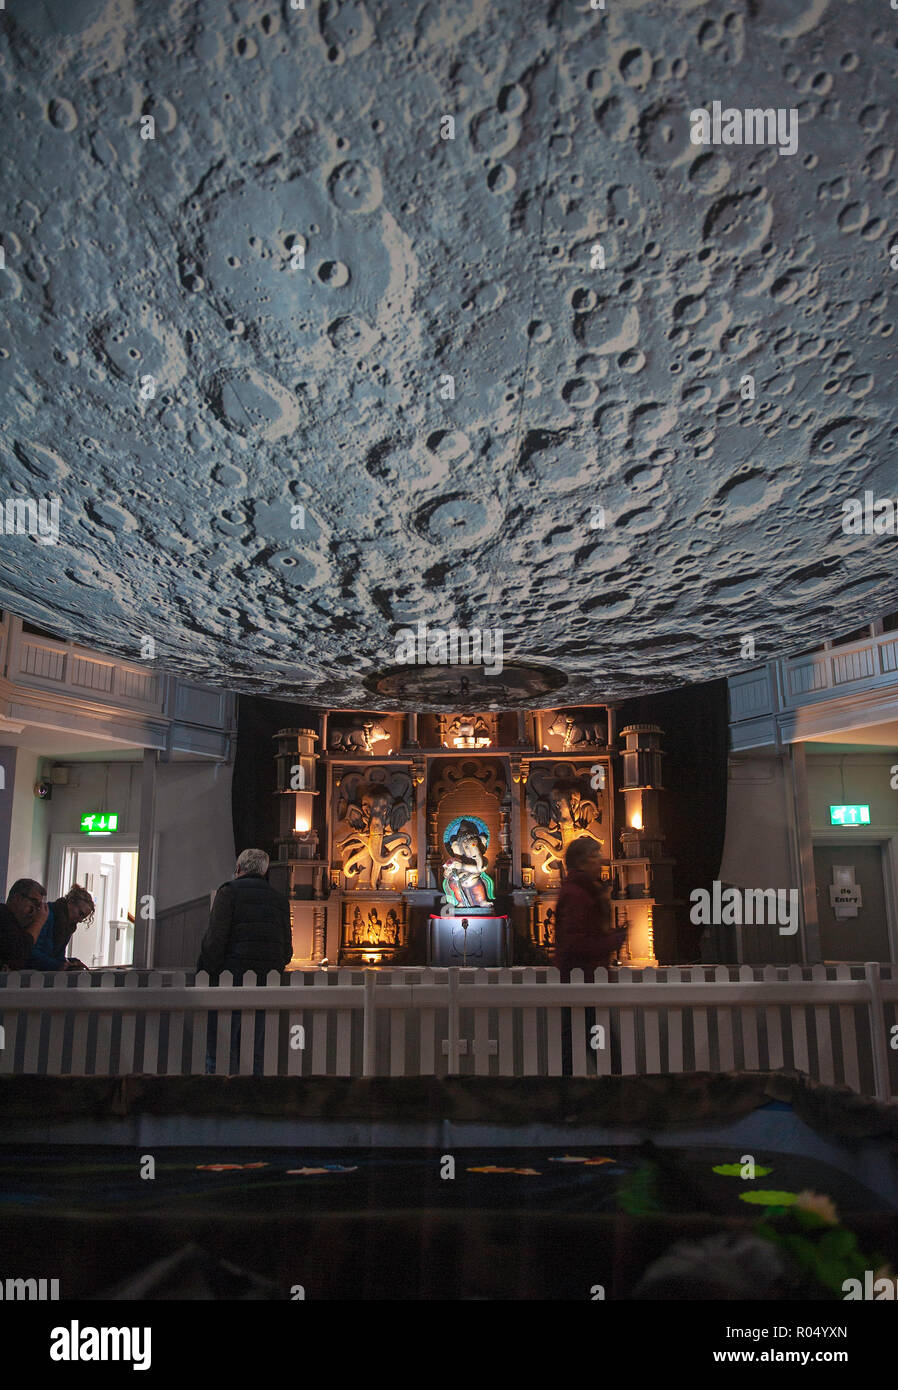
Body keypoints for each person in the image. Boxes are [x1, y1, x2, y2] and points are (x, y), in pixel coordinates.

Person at [198, 848, 292, 1075]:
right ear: (264, 870)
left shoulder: (228, 893)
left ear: (238, 868)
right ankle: (252, 1102)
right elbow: (286, 950)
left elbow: (214, 940)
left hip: (228, 983)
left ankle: (221, 1103)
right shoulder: (279, 900)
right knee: (254, 1053)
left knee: (220, 1052)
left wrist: (207, 974)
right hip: (264, 986)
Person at [551, 838, 625, 978]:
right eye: (594, 856)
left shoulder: (587, 890)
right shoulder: (576, 894)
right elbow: (575, 943)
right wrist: (613, 941)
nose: (600, 861)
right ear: (580, 862)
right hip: (581, 976)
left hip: (589, 974)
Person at [26, 884, 94, 971]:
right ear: (71, 902)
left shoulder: (67, 926)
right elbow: (29, 951)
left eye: (83, 918)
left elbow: (57, 956)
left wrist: (71, 962)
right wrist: (58, 965)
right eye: (80, 913)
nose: (80, 920)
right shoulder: (45, 914)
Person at [0, 879, 48, 971]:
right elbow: (19, 951)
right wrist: (39, 922)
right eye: (35, 903)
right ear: (17, 898)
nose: (37, 911)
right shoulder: (3, 916)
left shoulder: (18, 925)